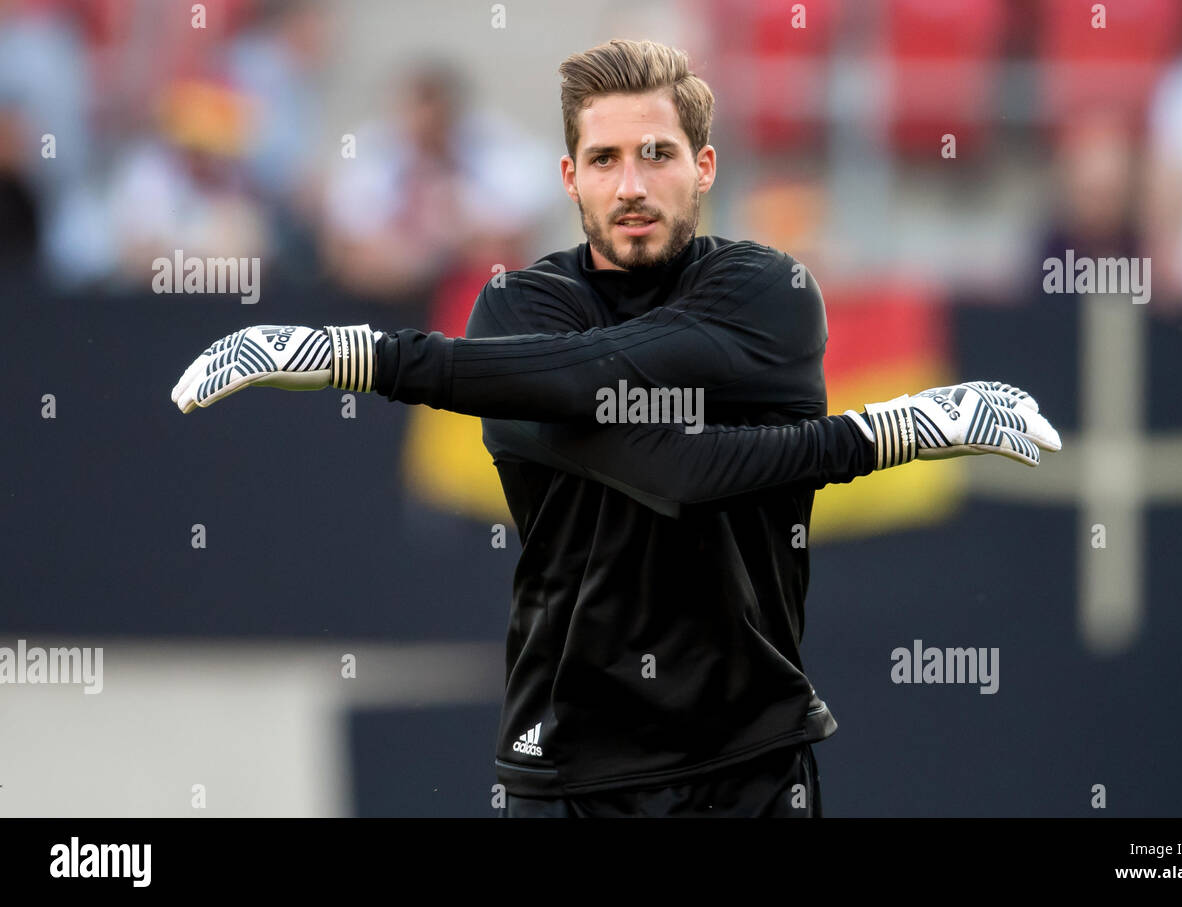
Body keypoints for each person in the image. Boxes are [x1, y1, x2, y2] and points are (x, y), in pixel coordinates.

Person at [169, 39, 1061, 817]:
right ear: (569, 176)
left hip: (748, 760)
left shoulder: (770, 293)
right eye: (603, 159)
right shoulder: (514, 307)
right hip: (566, 768)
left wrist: (361, 358)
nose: (630, 185)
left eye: (656, 153)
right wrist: (887, 433)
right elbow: (666, 456)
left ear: (705, 166)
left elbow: (673, 468)